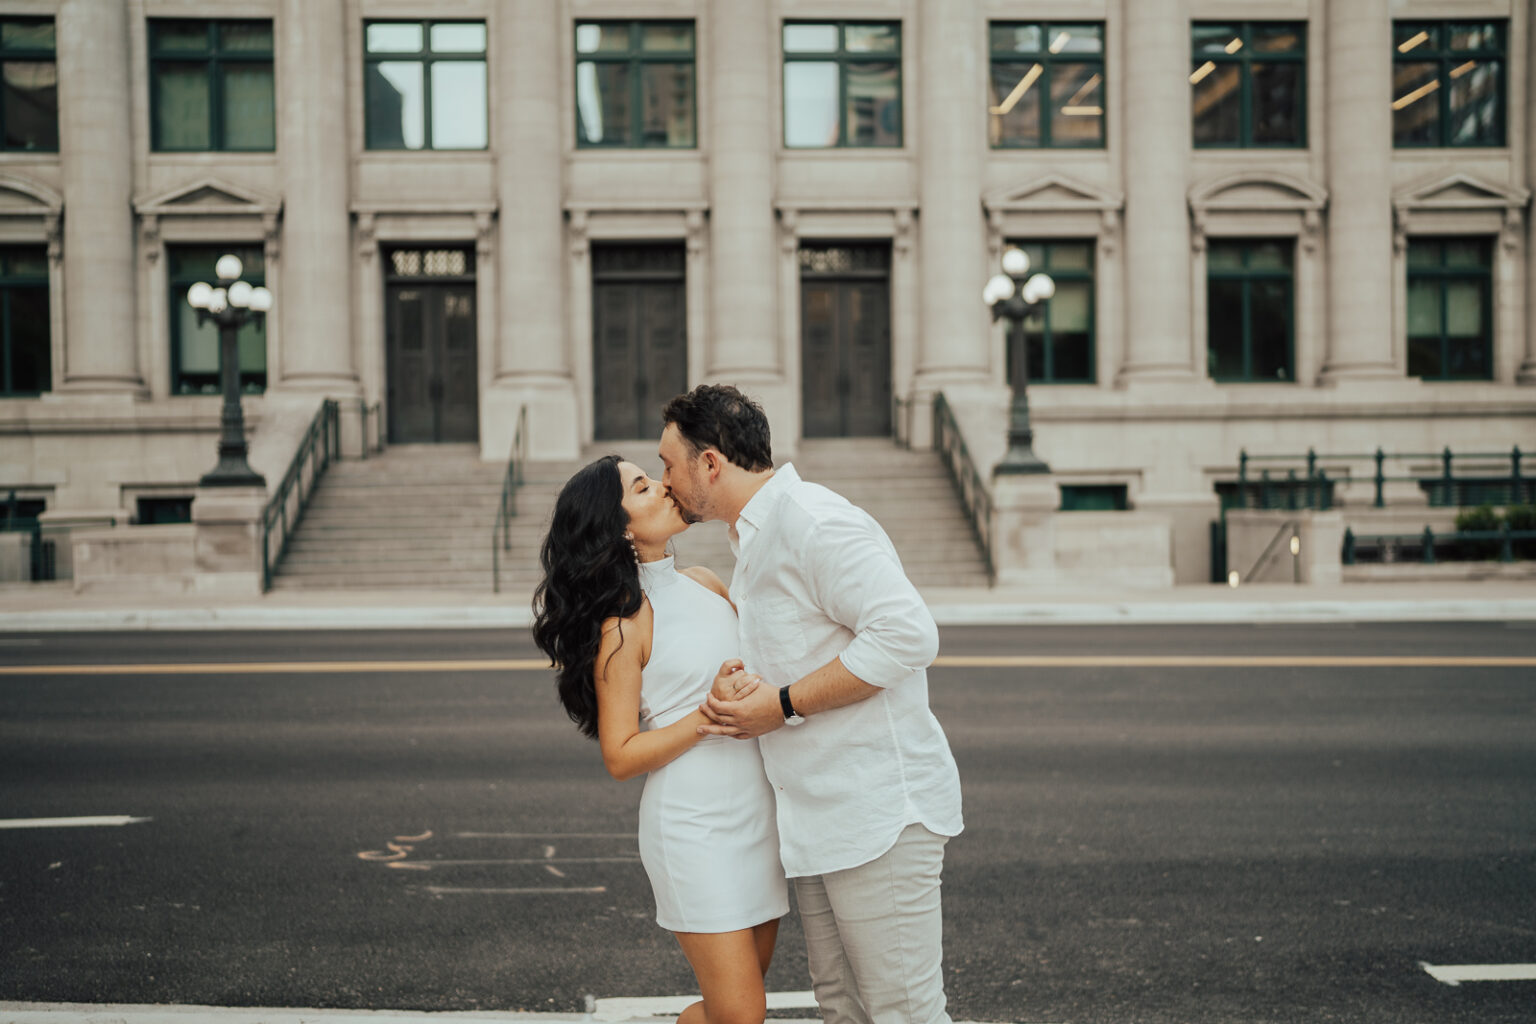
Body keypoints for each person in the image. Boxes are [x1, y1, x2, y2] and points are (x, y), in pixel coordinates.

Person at [658, 384, 964, 1024]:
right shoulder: (755, 541)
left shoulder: (813, 523)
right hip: (818, 821)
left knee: (904, 1014)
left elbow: (908, 635)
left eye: (668, 464)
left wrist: (783, 704)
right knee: (843, 1010)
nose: (664, 483)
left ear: (709, 463)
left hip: (875, 816)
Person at [531, 454, 788, 1024]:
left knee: (734, 1010)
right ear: (619, 528)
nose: (665, 485)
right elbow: (621, 755)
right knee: (741, 1015)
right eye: (643, 487)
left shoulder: (706, 583)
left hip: (759, 814)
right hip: (693, 827)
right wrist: (707, 714)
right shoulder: (624, 625)